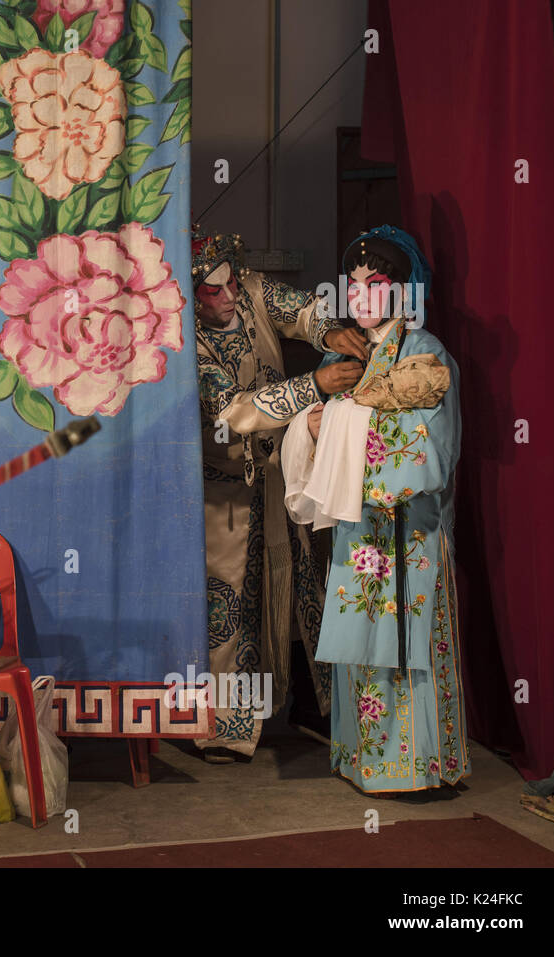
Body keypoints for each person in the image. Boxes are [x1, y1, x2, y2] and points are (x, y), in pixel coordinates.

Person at [295, 225, 468, 794]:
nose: (360, 296)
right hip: (356, 527)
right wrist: (315, 429)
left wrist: (346, 424)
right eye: (353, 285)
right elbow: (321, 428)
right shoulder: (345, 354)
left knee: (403, 639)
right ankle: (359, 758)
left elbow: (428, 448)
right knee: (356, 632)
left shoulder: (425, 354)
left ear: (405, 291)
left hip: (405, 529)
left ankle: (415, 766)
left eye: (376, 284)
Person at [192, 229, 369, 762]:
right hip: (223, 490)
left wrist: (332, 332)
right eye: (210, 291)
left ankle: (311, 705)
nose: (225, 297)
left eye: (228, 282)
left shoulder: (248, 287)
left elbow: (301, 310)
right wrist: (315, 385)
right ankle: (225, 725)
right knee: (230, 601)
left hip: (282, 471)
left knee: (302, 588)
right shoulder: (182, 342)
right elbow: (231, 411)